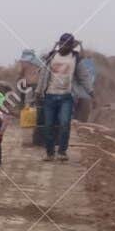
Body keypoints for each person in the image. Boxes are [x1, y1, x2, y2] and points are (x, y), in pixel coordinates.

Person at [38, 32, 81, 162]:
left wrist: (89, 92)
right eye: (62, 43)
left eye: (68, 44)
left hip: (66, 97)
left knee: (64, 124)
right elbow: (43, 76)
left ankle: (62, 152)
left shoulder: (75, 58)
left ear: (71, 46)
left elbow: (82, 76)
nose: (64, 46)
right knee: (48, 125)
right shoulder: (51, 57)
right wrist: (38, 92)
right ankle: (50, 153)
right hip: (50, 96)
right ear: (59, 43)